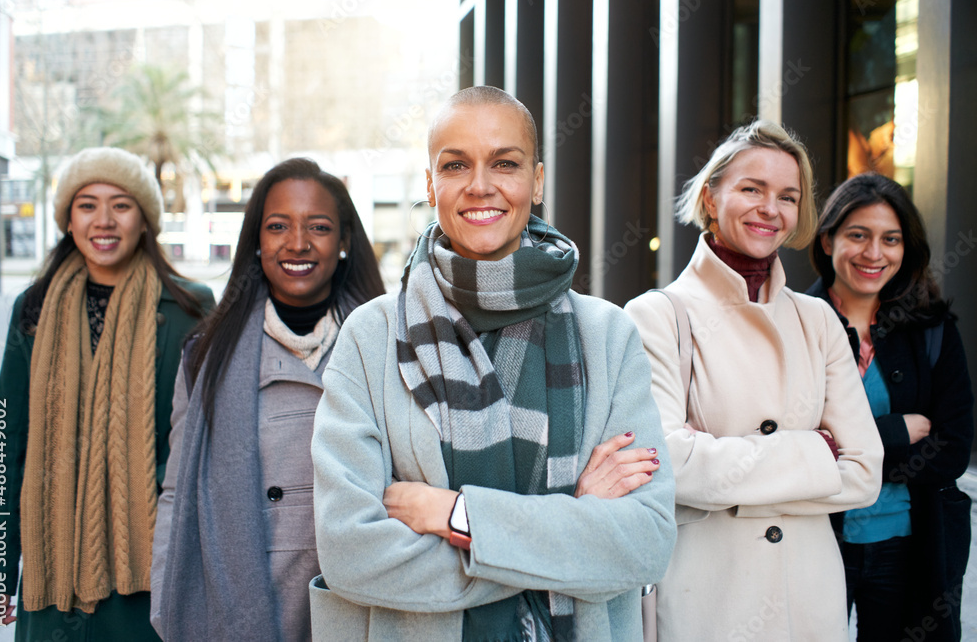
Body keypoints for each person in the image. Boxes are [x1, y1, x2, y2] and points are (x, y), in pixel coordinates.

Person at [308, 85, 676, 641]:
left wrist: (457, 516)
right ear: (431, 183)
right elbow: (352, 554)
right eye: (456, 165)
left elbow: (644, 542)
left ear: (537, 180)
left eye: (505, 163)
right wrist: (570, 521)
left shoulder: (606, 336)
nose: (481, 186)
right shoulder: (372, 338)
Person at [624, 120, 884, 640]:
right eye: (752, 189)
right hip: (709, 600)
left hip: (809, 602)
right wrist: (814, 454)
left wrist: (718, 466)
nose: (771, 208)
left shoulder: (817, 319)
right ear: (711, 196)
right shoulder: (655, 315)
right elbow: (665, 465)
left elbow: (864, 472)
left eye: (788, 196)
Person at [0, 147, 213, 640]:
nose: (103, 220)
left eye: (121, 205)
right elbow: (6, 437)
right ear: (68, 219)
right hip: (54, 567)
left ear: (145, 220)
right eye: (86, 204)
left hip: (147, 566)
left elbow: (205, 441)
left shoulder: (192, 305)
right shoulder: (36, 306)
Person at [149, 157, 385, 642]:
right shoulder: (207, 355)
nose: (297, 243)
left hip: (363, 597)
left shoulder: (388, 345)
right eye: (278, 226)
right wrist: (165, 602)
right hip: (245, 598)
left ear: (343, 241)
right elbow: (177, 491)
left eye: (318, 227)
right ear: (256, 241)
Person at [806, 172, 973, 642]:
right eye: (858, 235)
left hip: (909, 546)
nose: (874, 253)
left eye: (890, 239)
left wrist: (845, 449)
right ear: (827, 240)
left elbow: (954, 449)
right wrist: (894, 433)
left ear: (906, 248)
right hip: (815, 545)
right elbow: (781, 445)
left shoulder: (933, 329)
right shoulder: (792, 324)